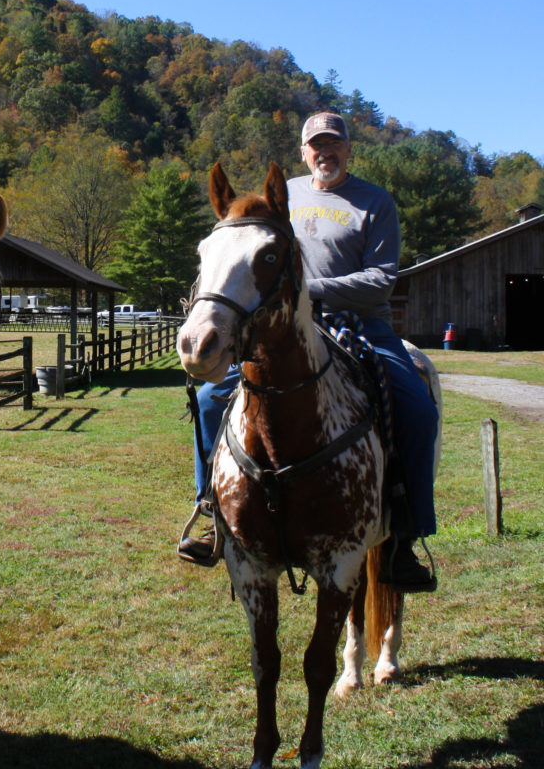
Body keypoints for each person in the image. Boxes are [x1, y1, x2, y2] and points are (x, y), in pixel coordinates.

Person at [178, 112, 439, 593]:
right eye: (316, 145)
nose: (326, 152)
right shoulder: (282, 198)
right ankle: (211, 512)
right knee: (213, 399)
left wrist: (307, 291)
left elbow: (381, 278)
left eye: (334, 144)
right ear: (304, 152)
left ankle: (406, 534)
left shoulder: (374, 202)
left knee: (417, 407)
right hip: (282, 330)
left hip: (362, 324)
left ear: (349, 150)